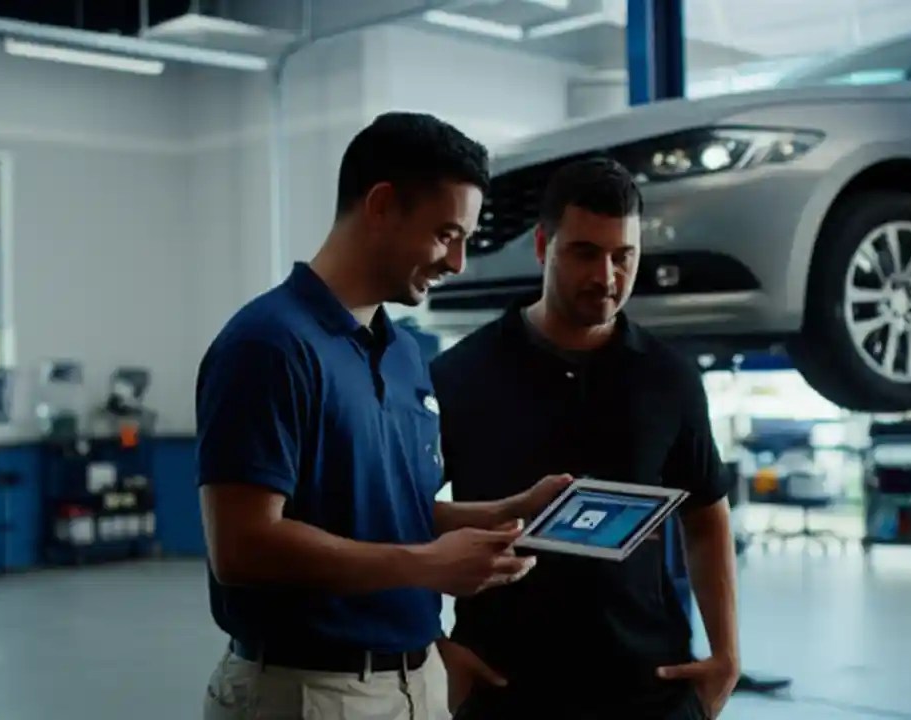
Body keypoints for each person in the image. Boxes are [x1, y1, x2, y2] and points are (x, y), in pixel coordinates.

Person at [196, 111, 571, 720]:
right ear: (381, 205)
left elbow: (381, 510)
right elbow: (242, 546)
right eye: (447, 234)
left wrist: (500, 513)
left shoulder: (404, 354)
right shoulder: (268, 346)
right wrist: (428, 565)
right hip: (306, 693)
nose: (458, 262)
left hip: (415, 682)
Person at [431, 157, 742, 720]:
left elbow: (706, 513)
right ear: (542, 245)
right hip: (505, 688)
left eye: (623, 257)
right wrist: (431, 645)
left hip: (648, 689)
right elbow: (398, 513)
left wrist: (727, 655)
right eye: (584, 254)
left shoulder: (668, 379)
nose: (606, 277)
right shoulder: (461, 375)